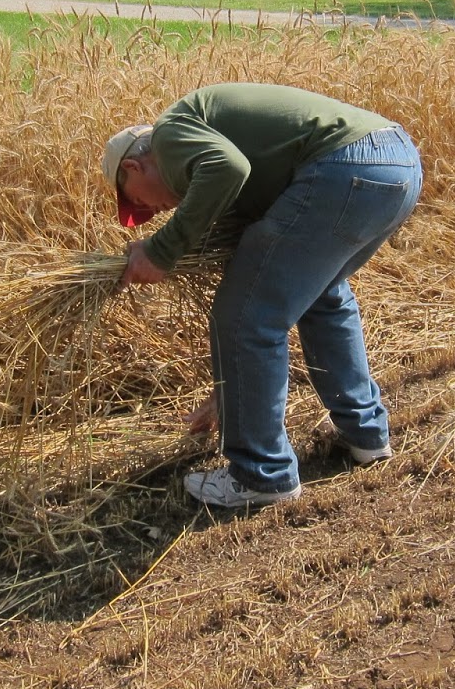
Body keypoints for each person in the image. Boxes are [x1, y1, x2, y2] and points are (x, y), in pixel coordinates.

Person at [100, 83, 422, 508]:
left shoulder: (169, 134)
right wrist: (229, 394)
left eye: (138, 201)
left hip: (344, 168)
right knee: (322, 297)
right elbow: (260, 273)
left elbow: (226, 167)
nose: (152, 211)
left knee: (246, 319)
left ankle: (262, 475)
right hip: (396, 163)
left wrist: (160, 251)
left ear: (135, 167)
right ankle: (365, 435)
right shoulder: (214, 159)